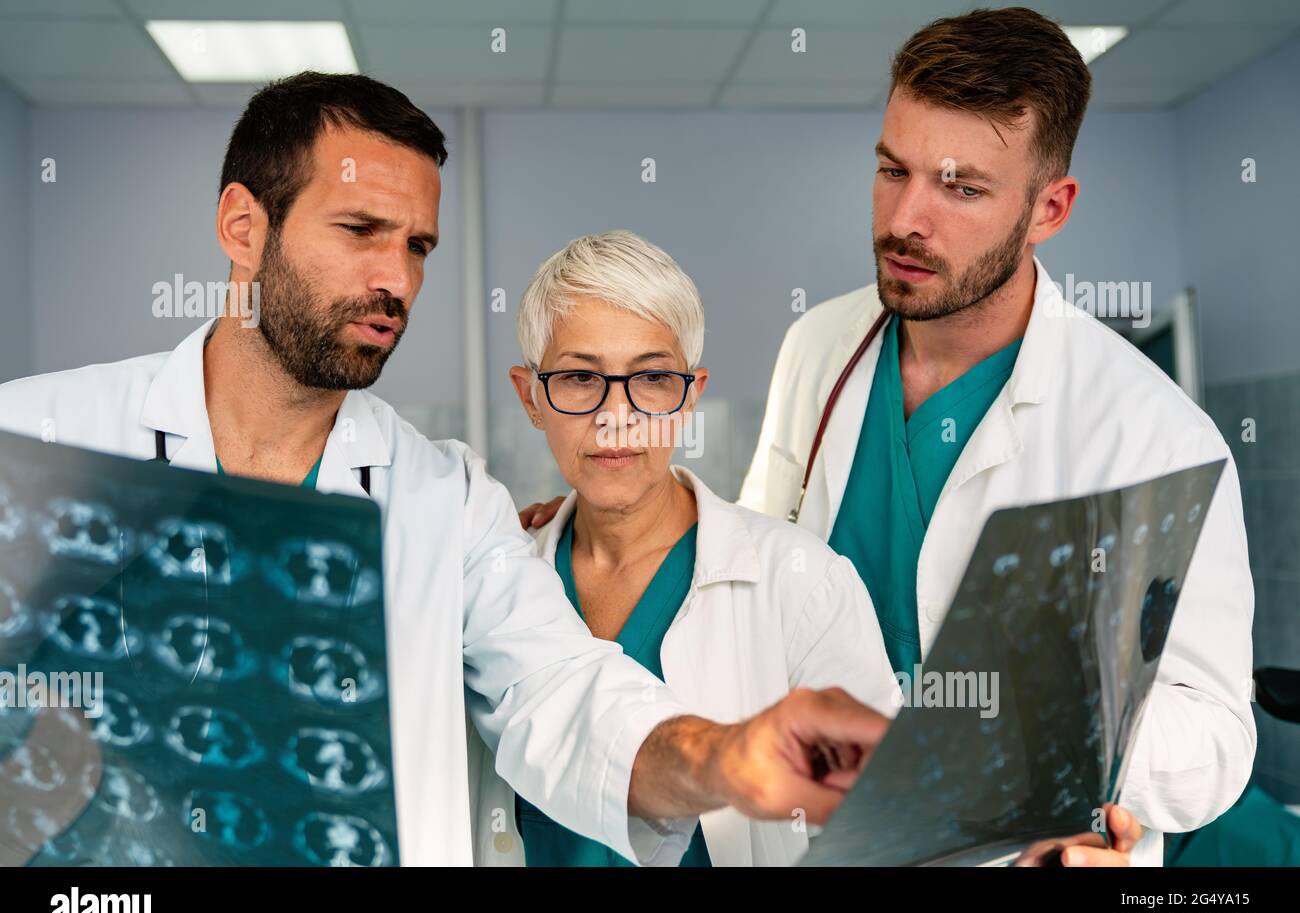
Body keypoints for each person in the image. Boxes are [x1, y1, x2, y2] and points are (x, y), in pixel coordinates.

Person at [0, 72, 889, 866]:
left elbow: (563, 693)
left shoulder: (444, 496)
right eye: (360, 229)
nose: (396, 278)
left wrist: (722, 756)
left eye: (419, 245)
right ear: (243, 226)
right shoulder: (37, 436)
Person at [736, 8, 1255, 866]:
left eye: (961, 187)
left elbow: (1217, 739)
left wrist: (1057, 731)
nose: (906, 219)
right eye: (891, 169)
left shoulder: (1156, 434)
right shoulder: (818, 350)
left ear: (1049, 208)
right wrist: (615, 518)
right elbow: (753, 574)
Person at [468, 230, 901, 866]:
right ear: (531, 395)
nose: (615, 415)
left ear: (691, 395)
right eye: (579, 378)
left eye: (651, 379)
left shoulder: (800, 584)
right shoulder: (497, 578)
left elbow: (886, 827)